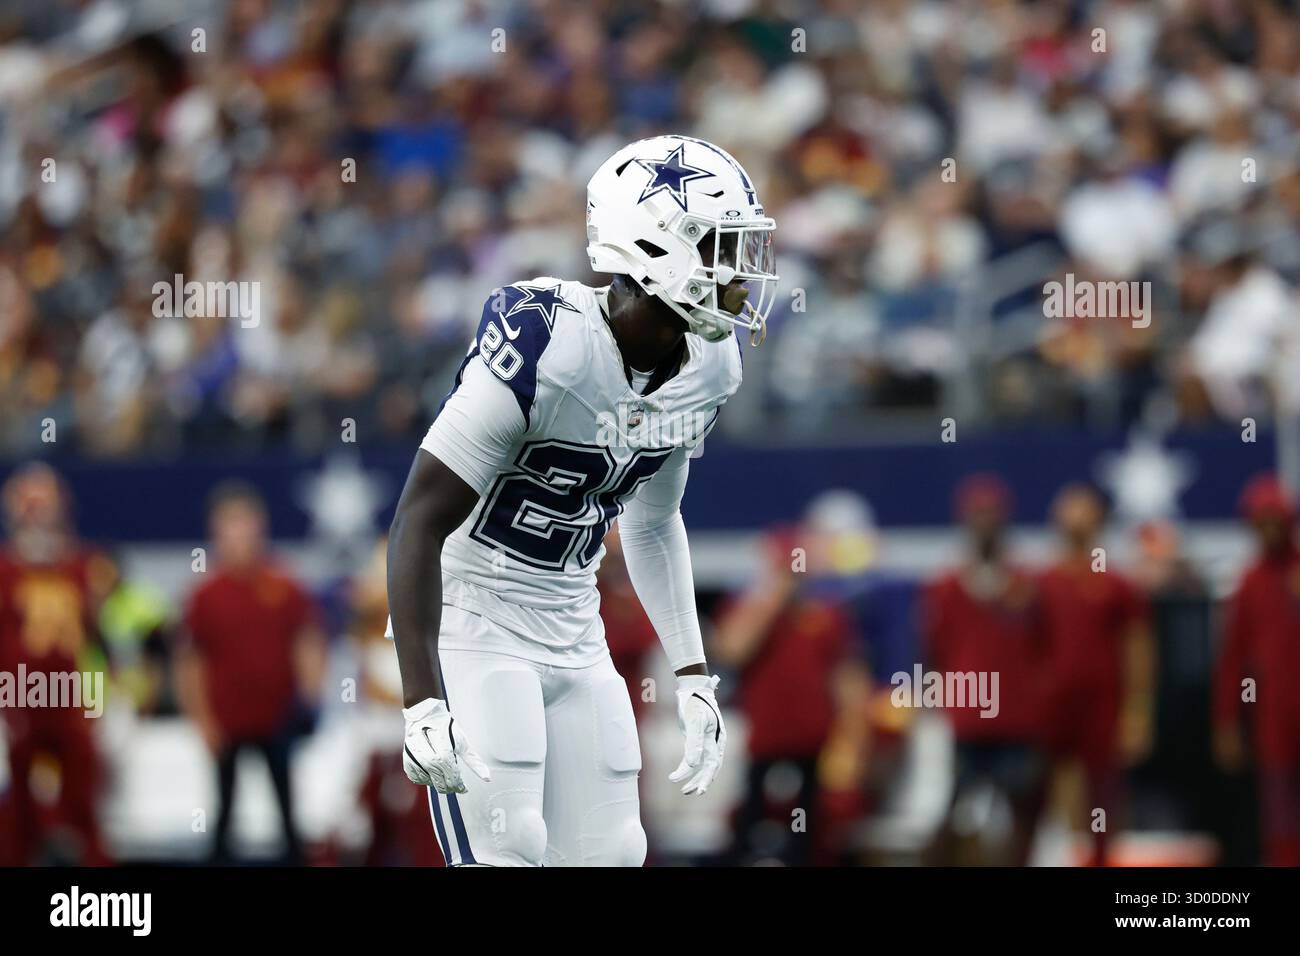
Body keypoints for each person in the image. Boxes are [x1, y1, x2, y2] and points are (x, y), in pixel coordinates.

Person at [386, 135, 778, 867]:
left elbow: (655, 522)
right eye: (722, 247)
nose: (741, 275)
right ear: (657, 249)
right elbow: (420, 519)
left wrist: (692, 674)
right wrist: (421, 698)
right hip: (477, 615)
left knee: (612, 855)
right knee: (510, 851)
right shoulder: (547, 339)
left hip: (575, 621)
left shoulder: (713, 364)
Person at [177, 482, 327, 864]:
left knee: (287, 808)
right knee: (224, 809)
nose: (239, 534)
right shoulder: (205, 594)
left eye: (245, 523)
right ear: (216, 531)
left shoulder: (283, 584)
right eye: (230, 524)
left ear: (260, 527)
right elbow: (190, 662)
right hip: (227, 719)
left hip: (277, 715)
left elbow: (307, 642)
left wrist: (310, 695)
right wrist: (201, 719)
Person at [921, 474, 1049, 866]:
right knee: (956, 811)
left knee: (1021, 817)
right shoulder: (947, 587)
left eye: (991, 513)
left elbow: (1044, 649)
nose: (985, 521)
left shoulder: (1028, 585)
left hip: (1019, 720)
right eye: (978, 514)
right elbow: (935, 650)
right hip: (971, 719)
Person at [0, 463, 114, 865]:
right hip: (15, 699)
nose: (37, 514)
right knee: (15, 813)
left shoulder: (84, 567)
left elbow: (99, 641)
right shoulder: (6, 569)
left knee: (81, 803)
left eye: (43, 504)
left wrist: (100, 699)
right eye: (29, 504)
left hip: (69, 698)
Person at [1038, 483, 1153, 866]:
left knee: (1103, 789)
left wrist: (1137, 711)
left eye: (1082, 507)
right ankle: (1068, 854)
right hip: (1055, 705)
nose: (1073, 514)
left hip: (1103, 703)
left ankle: (1102, 856)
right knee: (1059, 785)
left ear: (1099, 518)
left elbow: (1137, 648)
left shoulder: (1115, 584)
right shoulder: (1043, 583)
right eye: (1067, 505)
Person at [1214, 474, 1300, 866]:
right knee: (1280, 807)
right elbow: (1233, 659)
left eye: (1275, 521)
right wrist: (1228, 722)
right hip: (1274, 714)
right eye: (1260, 523)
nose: (1269, 531)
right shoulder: (1250, 582)